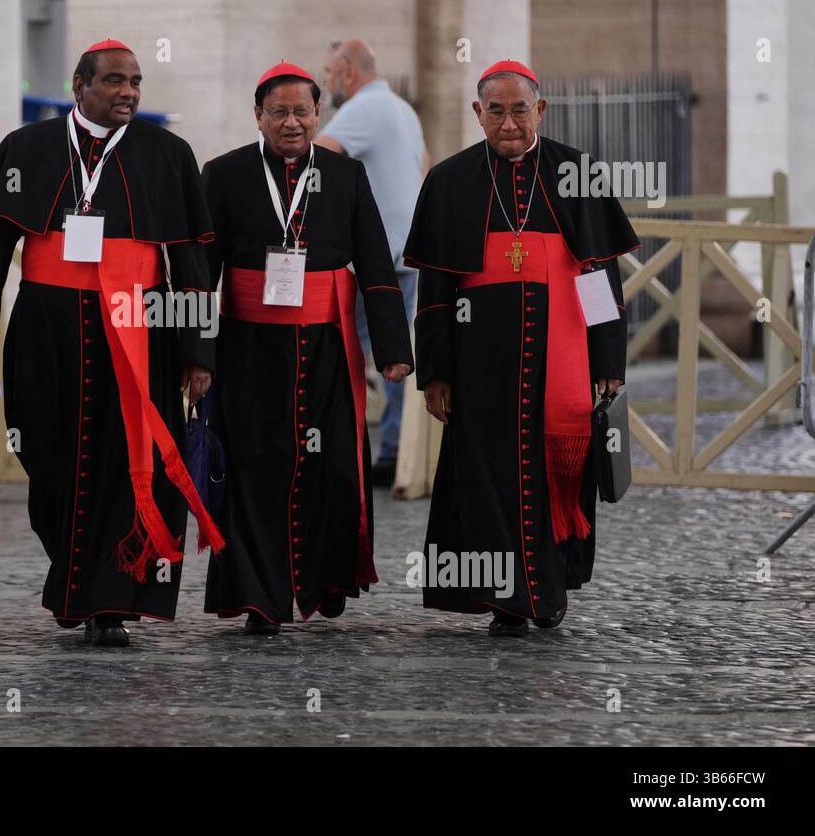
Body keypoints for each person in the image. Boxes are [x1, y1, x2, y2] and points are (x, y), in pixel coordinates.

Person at [0, 39, 223, 647]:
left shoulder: (168, 153)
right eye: (114, 81)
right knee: (49, 459)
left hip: (140, 325)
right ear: (80, 85)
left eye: (135, 82)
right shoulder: (27, 148)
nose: (128, 92)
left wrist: (197, 353)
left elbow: (190, 263)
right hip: (46, 325)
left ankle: (107, 601)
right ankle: (72, 576)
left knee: (126, 465)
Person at [402, 60, 639, 636]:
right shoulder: (451, 180)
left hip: (563, 354)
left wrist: (608, 359)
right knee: (488, 478)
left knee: (557, 475)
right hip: (481, 363)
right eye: (496, 111)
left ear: (542, 110)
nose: (509, 123)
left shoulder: (576, 173)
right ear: (477, 113)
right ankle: (507, 600)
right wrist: (435, 372)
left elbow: (599, 276)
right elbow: (435, 289)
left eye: (520, 109)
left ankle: (549, 590)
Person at [202, 62, 413, 634]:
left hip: (327, 344)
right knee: (253, 467)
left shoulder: (345, 176)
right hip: (248, 347)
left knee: (335, 466)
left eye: (302, 111)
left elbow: (374, 265)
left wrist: (394, 346)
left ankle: (327, 576)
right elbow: (201, 274)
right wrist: (199, 357)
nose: (291, 122)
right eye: (279, 112)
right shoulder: (224, 175)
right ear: (258, 116)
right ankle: (258, 596)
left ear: (319, 115)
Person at [316, 39, 426, 488]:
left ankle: (347, 452)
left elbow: (314, 161)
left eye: (326, 73)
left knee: (343, 351)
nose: (325, 82)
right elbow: (424, 166)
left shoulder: (361, 109)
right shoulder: (403, 109)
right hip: (406, 247)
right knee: (393, 351)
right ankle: (393, 453)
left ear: (346, 72)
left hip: (375, 256)